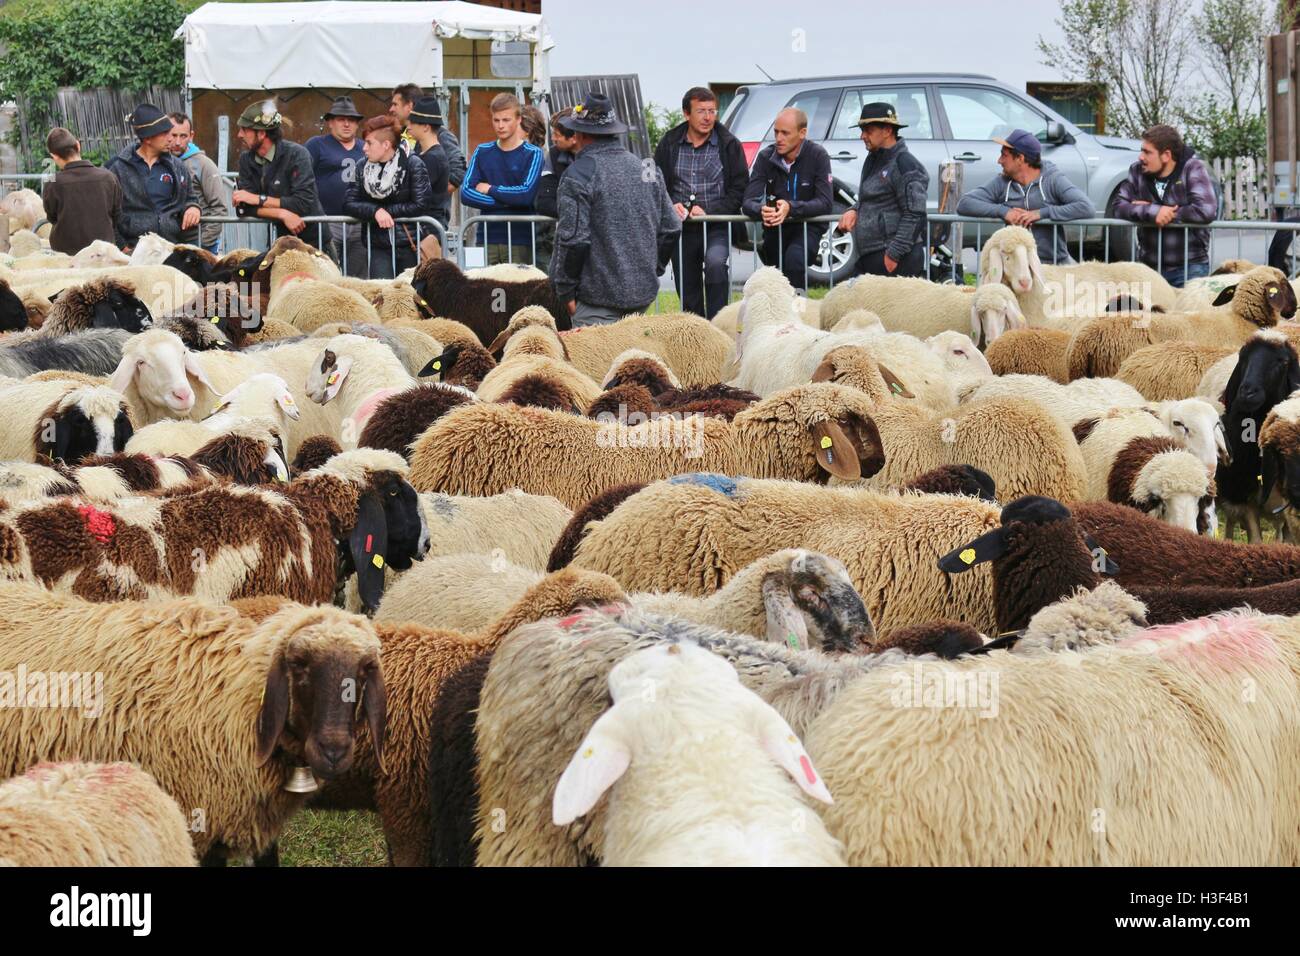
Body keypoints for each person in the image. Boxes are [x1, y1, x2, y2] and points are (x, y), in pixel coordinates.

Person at [550, 93, 681, 326]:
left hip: (596, 301)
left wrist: (566, 290)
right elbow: (671, 226)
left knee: (594, 363)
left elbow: (574, 239)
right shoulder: (645, 168)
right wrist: (654, 267)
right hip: (641, 295)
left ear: (579, 134)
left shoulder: (578, 174)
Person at [654, 87, 748, 318]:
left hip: (716, 223)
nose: (708, 117)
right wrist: (671, 204)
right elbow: (657, 185)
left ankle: (718, 325)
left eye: (712, 111)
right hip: (682, 227)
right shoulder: (669, 142)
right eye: (701, 111)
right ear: (687, 114)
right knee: (687, 284)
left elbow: (740, 187)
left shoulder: (729, 144)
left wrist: (709, 210)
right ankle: (695, 334)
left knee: (716, 265)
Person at [955, 128, 1094, 266]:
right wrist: (1004, 212)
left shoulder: (1053, 179)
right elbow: (965, 203)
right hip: (1016, 267)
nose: (999, 161)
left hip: (1053, 265)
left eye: (1004, 155)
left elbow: (1086, 207)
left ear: (1020, 158)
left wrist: (1040, 214)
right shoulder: (1002, 182)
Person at [1114, 124, 1218, 288]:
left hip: (1190, 268)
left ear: (1166, 155)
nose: (1141, 157)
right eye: (1142, 150)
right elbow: (1119, 206)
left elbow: (1205, 210)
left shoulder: (1192, 168)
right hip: (1149, 269)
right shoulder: (1137, 171)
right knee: (1147, 314)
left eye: (1147, 152)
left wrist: (1167, 214)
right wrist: (1153, 211)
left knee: (1187, 314)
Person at [741, 108, 833, 291]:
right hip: (775, 230)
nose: (779, 138)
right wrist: (762, 209)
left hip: (807, 227)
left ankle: (798, 311)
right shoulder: (766, 156)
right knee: (775, 277)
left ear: (802, 133)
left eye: (785, 133)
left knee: (794, 261)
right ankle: (779, 315)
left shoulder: (818, 155)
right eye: (776, 132)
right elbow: (747, 201)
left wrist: (790, 208)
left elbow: (825, 202)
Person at [835, 102, 929, 277]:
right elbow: (872, 197)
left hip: (896, 257)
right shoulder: (873, 159)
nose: (862, 136)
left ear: (887, 131)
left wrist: (894, 254)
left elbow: (915, 213)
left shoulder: (905, 164)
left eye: (868, 131)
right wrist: (855, 209)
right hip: (875, 255)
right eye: (862, 130)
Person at [460, 93, 545, 265]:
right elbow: (465, 193)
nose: (500, 125)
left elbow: (525, 194)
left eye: (506, 120)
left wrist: (491, 189)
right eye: (496, 120)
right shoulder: (482, 151)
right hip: (486, 236)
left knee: (518, 291)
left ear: (519, 119)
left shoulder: (533, 153)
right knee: (483, 290)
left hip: (519, 239)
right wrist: (507, 202)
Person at [343, 115, 432, 279]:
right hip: (378, 245)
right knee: (382, 296)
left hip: (409, 243)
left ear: (386, 145)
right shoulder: (362, 166)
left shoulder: (413, 163)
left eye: (369, 143)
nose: (364, 148)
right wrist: (375, 211)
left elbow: (421, 204)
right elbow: (349, 203)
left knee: (411, 295)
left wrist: (387, 212)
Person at [105, 104, 201, 252]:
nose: (171, 139)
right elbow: (106, 211)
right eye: (165, 134)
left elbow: (190, 197)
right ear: (148, 138)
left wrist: (193, 207)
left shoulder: (178, 166)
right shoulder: (116, 168)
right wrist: (121, 245)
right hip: (133, 251)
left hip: (170, 249)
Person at [232, 101, 324, 243]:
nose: (239, 135)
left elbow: (303, 203)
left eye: (245, 129)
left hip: (313, 241)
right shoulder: (246, 159)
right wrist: (282, 214)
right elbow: (245, 208)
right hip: (279, 242)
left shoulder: (297, 154)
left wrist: (258, 199)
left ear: (261, 133)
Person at [41, 127, 122, 256]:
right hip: (103, 255)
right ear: (78, 145)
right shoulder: (108, 177)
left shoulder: (53, 182)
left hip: (66, 256)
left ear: (54, 156)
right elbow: (117, 215)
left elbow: (52, 217)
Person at [305, 96, 366, 267]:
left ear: (357, 124)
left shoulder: (365, 147)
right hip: (327, 221)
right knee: (327, 270)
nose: (347, 124)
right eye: (341, 119)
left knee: (359, 274)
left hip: (359, 221)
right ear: (330, 122)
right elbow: (303, 177)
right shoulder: (317, 145)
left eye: (351, 120)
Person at [168, 112, 229, 255]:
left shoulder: (204, 165)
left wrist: (202, 245)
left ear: (191, 136)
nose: (177, 142)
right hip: (170, 244)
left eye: (183, 136)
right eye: (173, 135)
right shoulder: (160, 162)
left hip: (198, 244)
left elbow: (219, 209)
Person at [390, 83, 466, 189]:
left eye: (395, 104)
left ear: (409, 106)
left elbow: (459, 171)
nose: (391, 109)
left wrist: (435, 196)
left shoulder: (440, 135)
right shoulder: (399, 135)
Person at [406, 95, 451, 258]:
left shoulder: (433, 158)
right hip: (423, 229)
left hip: (427, 232)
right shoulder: (425, 154)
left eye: (413, 121)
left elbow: (413, 193)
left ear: (425, 126)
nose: (408, 125)